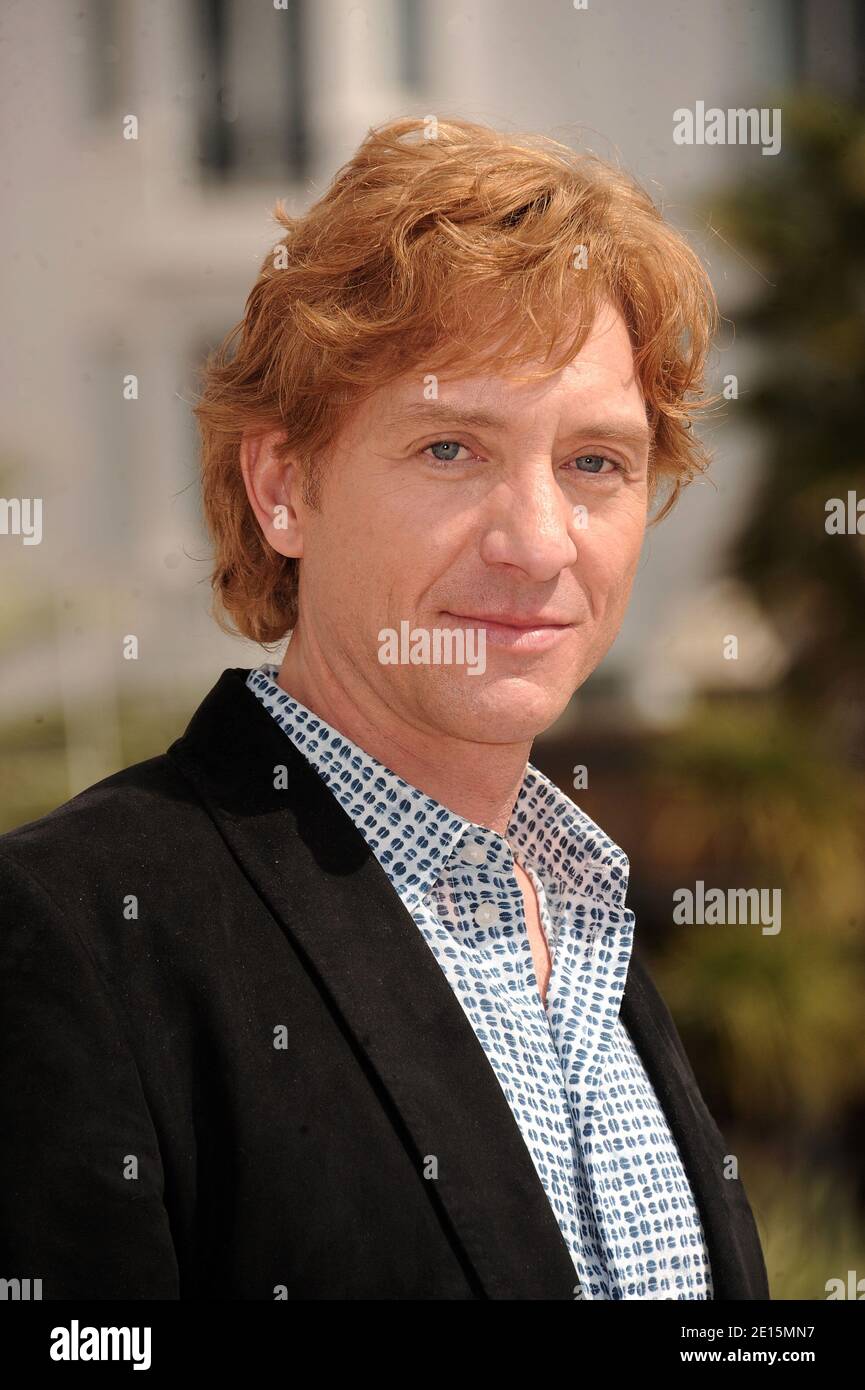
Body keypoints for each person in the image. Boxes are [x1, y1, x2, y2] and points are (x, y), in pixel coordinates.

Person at [0, 116, 769, 1300]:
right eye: (452, 448)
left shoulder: (590, 919)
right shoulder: (73, 932)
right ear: (283, 487)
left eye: (595, 463)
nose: (536, 542)